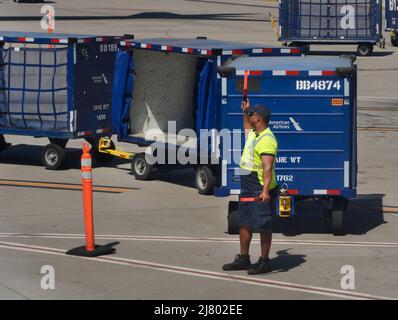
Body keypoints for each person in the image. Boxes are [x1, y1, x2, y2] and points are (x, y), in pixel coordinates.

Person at [223, 99, 278, 275]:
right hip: (247, 183)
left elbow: (267, 167)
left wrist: (265, 191)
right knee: (244, 222)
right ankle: (244, 258)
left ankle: (264, 261)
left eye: (252, 114)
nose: (250, 116)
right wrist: (245, 111)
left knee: (263, 224)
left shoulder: (267, 139)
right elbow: (246, 126)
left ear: (259, 118)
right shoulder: (254, 133)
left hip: (260, 185)